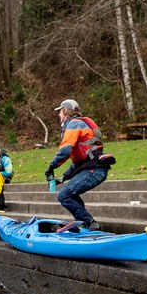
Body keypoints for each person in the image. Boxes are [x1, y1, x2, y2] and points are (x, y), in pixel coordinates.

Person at [43, 99, 112, 231]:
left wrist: (51, 168)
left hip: (94, 170)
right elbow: (80, 161)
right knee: (69, 194)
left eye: (60, 112)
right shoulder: (80, 124)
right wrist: (63, 177)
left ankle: (90, 223)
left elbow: (65, 151)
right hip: (92, 168)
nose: (59, 115)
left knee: (64, 195)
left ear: (65, 111)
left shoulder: (74, 124)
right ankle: (83, 221)